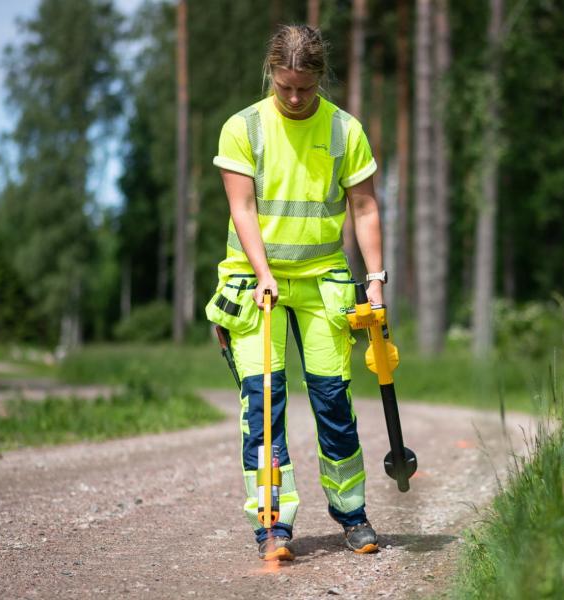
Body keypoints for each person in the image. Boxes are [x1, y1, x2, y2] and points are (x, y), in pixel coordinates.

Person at [205, 24, 387, 562]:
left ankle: (352, 514)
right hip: (253, 282)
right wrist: (263, 273)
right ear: (271, 74)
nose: (293, 97)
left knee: (333, 401)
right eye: (284, 85)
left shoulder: (344, 130)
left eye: (304, 87)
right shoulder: (243, 128)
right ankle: (272, 525)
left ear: (320, 79)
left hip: (322, 279)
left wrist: (375, 279)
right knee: (263, 404)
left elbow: (366, 208)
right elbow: (242, 209)